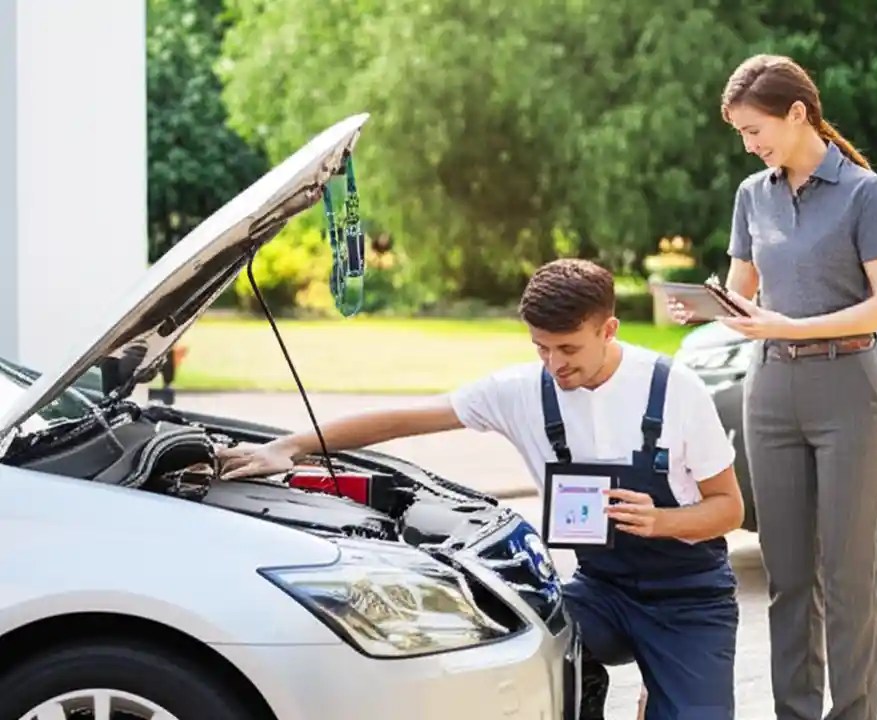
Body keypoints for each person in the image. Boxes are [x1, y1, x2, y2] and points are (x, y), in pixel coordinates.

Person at [216, 258, 745, 720]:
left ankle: (664, 698)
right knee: (513, 657)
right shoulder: (520, 392)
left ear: (609, 329)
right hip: (601, 591)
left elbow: (728, 509)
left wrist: (663, 521)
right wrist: (289, 446)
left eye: (568, 348)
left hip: (689, 598)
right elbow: (403, 419)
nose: (555, 364)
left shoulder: (675, 388)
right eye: (541, 348)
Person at [673, 54, 877, 720]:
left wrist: (793, 326)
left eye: (756, 130)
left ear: (797, 112)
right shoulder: (754, 194)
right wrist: (705, 303)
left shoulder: (866, 192)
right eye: (743, 135)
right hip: (771, 392)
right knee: (788, 577)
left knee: (848, 578)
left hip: (846, 391)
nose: (751, 145)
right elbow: (742, 289)